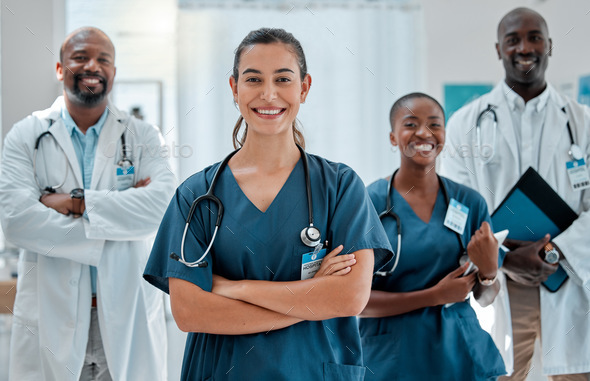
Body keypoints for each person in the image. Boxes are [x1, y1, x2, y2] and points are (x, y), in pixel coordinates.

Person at [143, 27, 393, 381]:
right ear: (234, 89)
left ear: (304, 88)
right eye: (254, 79)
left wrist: (234, 288)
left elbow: (349, 297)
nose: (269, 93)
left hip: (313, 370)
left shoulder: (339, 186)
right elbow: (190, 312)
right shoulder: (196, 196)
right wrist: (310, 301)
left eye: (283, 79)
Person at [0, 27, 175, 380]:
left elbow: (162, 208)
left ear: (113, 71)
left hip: (128, 313)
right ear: (60, 69)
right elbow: (17, 220)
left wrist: (75, 204)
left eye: (103, 59)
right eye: (80, 57)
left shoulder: (143, 136)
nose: (92, 65)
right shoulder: (26, 135)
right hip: (50, 315)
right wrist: (119, 217)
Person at [440, 8, 590, 380]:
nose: (525, 47)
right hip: (499, 285)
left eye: (534, 37)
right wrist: (505, 258)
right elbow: (457, 209)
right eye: (513, 39)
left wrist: (553, 251)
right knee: (498, 374)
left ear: (549, 45)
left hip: (569, 279)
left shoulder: (583, 123)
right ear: (499, 49)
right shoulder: (466, 123)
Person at [359, 93, 506, 380]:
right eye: (411, 124)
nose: (424, 133)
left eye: (434, 124)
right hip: (393, 357)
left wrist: (489, 271)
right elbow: (355, 302)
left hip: (458, 353)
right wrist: (434, 296)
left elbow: (485, 298)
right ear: (393, 137)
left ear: (443, 135)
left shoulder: (469, 202)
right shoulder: (368, 204)